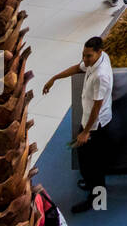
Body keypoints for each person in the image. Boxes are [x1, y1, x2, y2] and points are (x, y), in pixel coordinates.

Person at [42, 36, 113, 214]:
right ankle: (90, 183)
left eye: (88, 56)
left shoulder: (100, 76)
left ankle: (96, 198)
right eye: (84, 55)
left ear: (99, 52)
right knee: (84, 158)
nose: (85, 60)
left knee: (94, 164)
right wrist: (55, 78)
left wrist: (86, 132)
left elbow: (97, 107)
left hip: (95, 125)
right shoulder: (95, 61)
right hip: (89, 122)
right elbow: (77, 68)